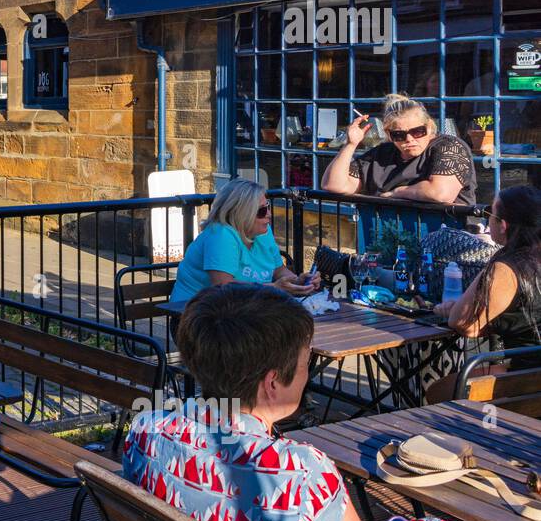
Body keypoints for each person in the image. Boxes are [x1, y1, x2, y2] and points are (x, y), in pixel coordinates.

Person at [123, 284, 538, 521]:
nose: (305, 374)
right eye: (305, 363)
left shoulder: (147, 432)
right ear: (272, 383)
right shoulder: (302, 470)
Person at [437, 185, 541, 371]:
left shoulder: (507, 267)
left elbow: (462, 323)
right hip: (530, 376)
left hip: (525, 376)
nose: (487, 221)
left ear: (503, 225)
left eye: (490, 214)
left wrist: (494, 262)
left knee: (437, 391)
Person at [169, 178, 319, 304]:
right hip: (196, 318)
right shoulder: (221, 235)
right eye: (261, 211)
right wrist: (275, 287)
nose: (269, 214)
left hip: (240, 312)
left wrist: (297, 282)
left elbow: (278, 270)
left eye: (267, 207)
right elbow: (223, 286)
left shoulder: (262, 232)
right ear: (241, 213)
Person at [321, 92, 476, 206]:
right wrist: (350, 145)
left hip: (447, 241)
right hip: (386, 241)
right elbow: (333, 185)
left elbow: (440, 193)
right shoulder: (382, 154)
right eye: (399, 135)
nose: (410, 139)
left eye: (417, 131)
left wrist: (397, 192)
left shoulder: (449, 146)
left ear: (429, 127)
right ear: (389, 134)